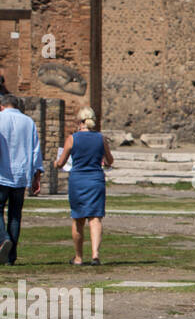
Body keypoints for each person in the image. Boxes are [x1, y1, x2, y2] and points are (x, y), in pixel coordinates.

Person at [54, 106, 113, 265]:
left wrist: (56, 164)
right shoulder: (101, 138)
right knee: (95, 219)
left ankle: (79, 257)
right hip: (95, 180)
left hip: (78, 180)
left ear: (80, 122)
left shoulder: (72, 139)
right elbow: (110, 160)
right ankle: (95, 254)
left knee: (78, 219)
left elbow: (61, 162)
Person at [0, 94, 43, 266]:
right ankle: (10, 257)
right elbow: (35, 151)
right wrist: (36, 177)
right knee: (15, 215)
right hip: (21, 176)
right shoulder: (29, 122)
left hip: (2, 174)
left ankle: (4, 239)